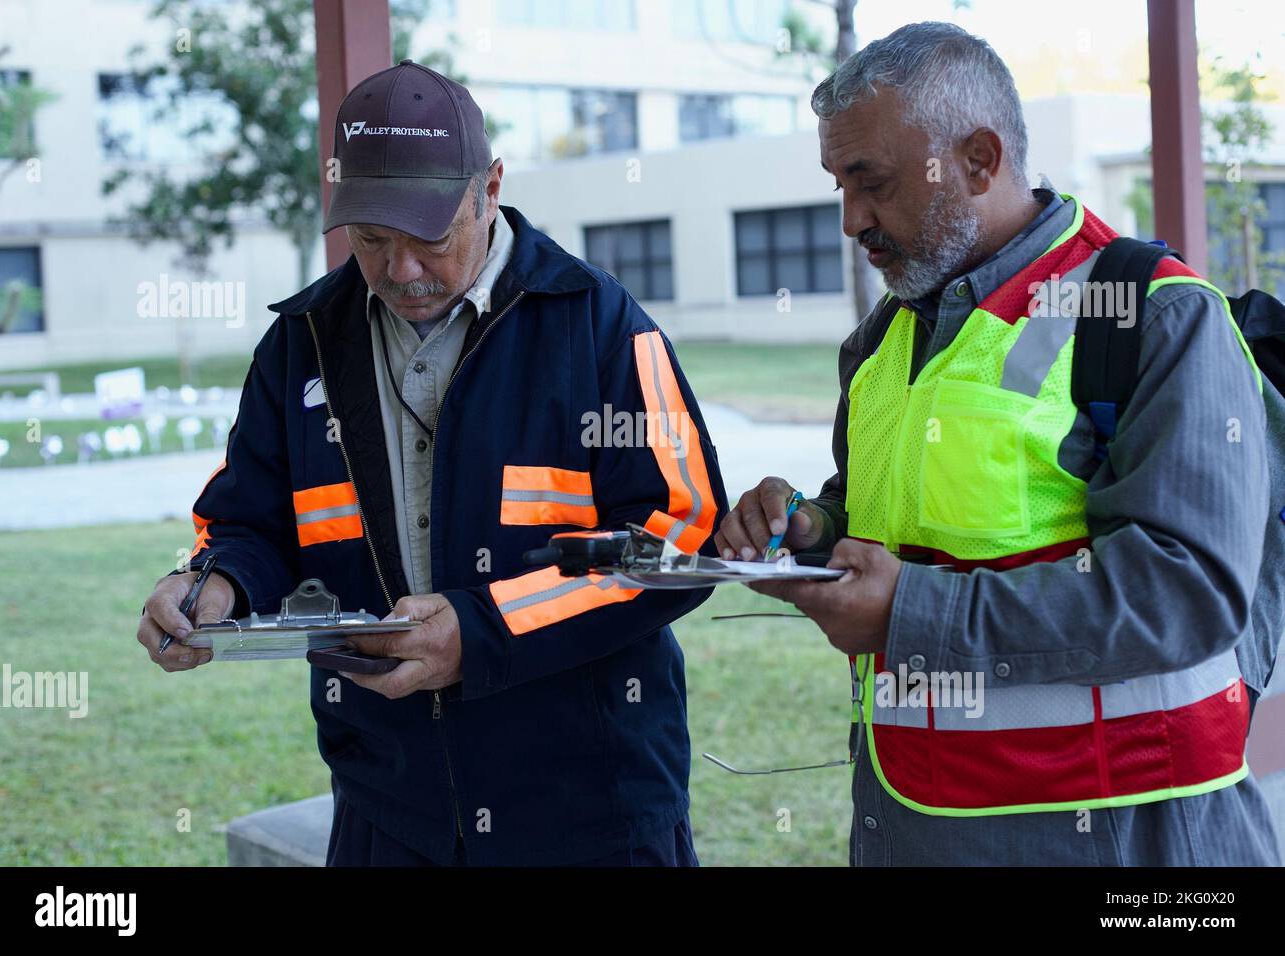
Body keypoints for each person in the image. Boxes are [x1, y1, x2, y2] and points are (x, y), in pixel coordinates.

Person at [716, 22, 1281, 866]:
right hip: (913, 823)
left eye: (872, 183)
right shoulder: (882, 339)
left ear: (980, 160)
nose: (849, 220)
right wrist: (811, 531)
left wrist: (909, 611)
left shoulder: (1157, 316)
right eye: (839, 185)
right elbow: (900, 517)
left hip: (1135, 845)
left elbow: (1187, 590)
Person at [135, 60, 726, 867]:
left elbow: (682, 538)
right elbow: (251, 519)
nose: (401, 271)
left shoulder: (597, 324)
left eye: (429, 236)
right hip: (388, 809)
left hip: (589, 809)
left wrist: (481, 634)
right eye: (372, 240)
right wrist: (212, 584)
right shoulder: (302, 343)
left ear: (490, 188)